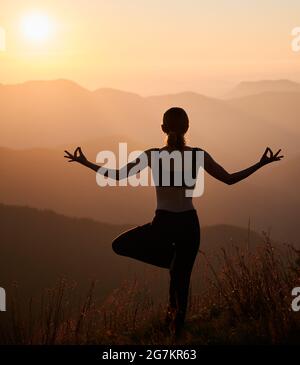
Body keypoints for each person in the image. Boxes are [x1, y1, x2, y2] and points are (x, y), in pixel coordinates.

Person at [64, 107, 283, 337]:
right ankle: (177, 329)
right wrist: (260, 164)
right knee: (182, 280)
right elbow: (229, 179)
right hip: (189, 224)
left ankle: (172, 303)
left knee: (121, 246)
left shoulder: (152, 155)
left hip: (163, 225)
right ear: (187, 128)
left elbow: (117, 175)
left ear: (162, 128)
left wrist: (86, 162)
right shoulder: (198, 155)